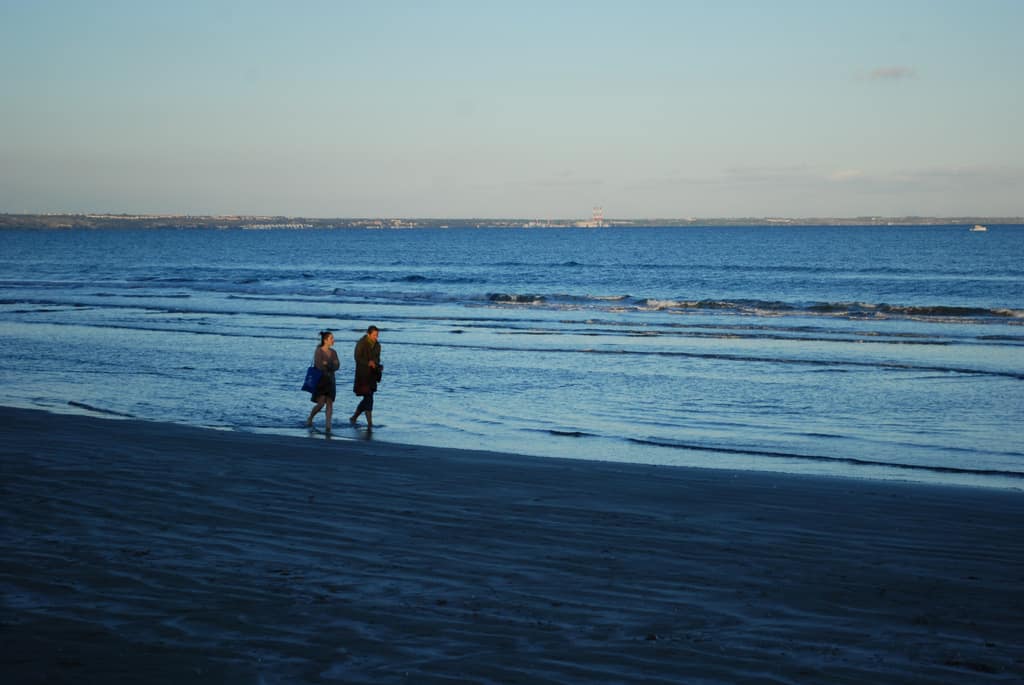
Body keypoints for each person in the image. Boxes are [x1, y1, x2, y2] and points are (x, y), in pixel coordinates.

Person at [306, 330, 340, 433]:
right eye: (331, 338)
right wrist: (330, 365)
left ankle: (328, 426)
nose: (333, 340)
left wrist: (328, 364)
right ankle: (310, 417)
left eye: (333, 338)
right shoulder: (318, 351)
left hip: (331, 381)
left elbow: (337, 366)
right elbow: (319, 366)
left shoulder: (333, 352)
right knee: (321, 404)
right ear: (325, 340)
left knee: (330, 403)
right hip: (321, 381)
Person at [350, 325, 381, 428]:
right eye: (374, 335)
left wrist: (377, 366)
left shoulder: (378, 345)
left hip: (373, 375)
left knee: (368, 397)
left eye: (377, 335)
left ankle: (354, 417)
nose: (376, 337)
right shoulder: (361, 343)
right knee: (369, 398)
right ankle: (369, 423)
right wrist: (368, 363)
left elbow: (377, 359)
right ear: (368, 334)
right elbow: (357, 358)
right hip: (362, 374)